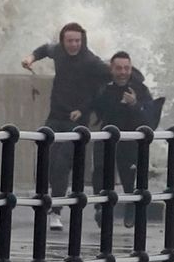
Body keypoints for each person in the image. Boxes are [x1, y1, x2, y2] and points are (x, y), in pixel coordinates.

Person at [22, 22, 110, 223]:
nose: (74, 45)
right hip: (55, 116)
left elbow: (105, 86)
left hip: (77, 122)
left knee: (62, 163)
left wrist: (84, 109)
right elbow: (45, 49)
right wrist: (31, 58)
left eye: (77, 41)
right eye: (70, 41)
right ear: (63, 41)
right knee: (47, 159)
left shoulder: (91, 61)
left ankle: (56, 212)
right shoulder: (59, 52)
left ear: (83, 40)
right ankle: (46, 200)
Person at [88, 51, 153, 196]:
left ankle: (131, 210)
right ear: (111, 69)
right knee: (100, 173)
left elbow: (149, 119)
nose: (123, 72)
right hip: (107, 135)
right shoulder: (103, 87)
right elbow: (94, 106)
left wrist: (134, 104)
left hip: (131, 139)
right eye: (118, 68)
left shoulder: (140, 89)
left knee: (131, 183)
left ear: (131, 69)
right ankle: (101, 206)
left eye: (126, 68)